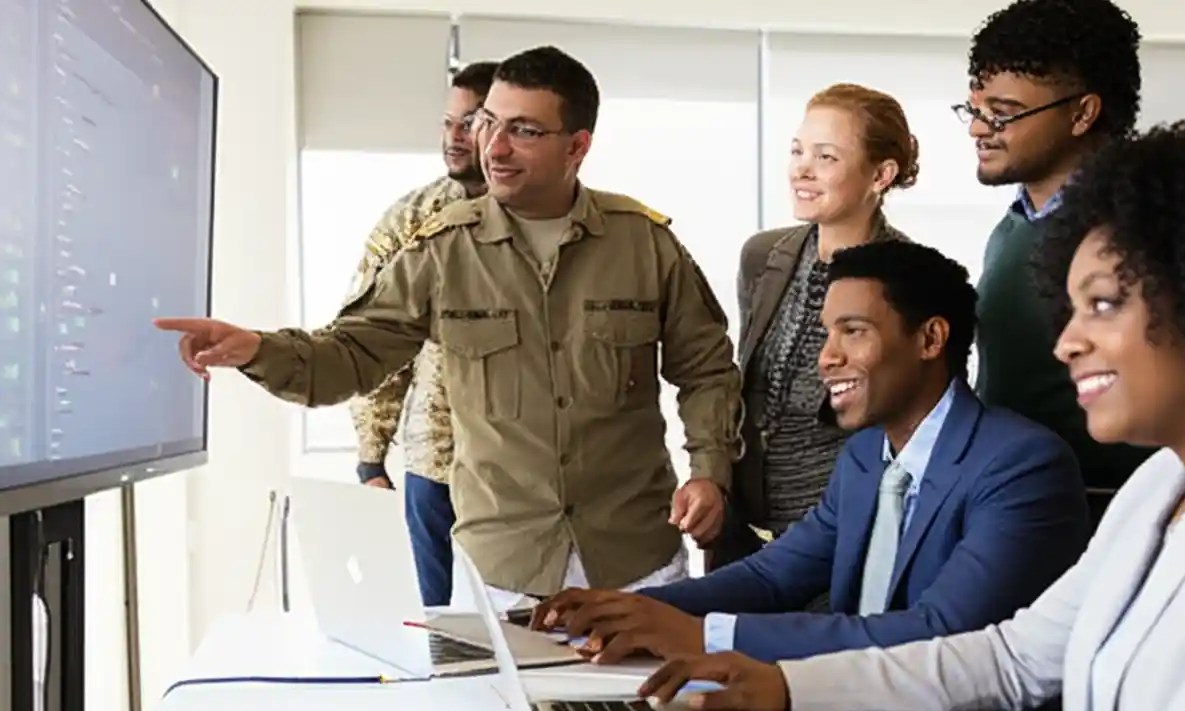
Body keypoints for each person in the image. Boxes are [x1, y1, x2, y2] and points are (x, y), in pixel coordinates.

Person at [637, 121, 1185, 711]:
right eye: (1071, 309)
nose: (1066, 344)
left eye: (1104, 305)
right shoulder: (1158, 488)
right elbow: (1014, 656)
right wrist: (784, 685)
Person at [155, 46, 740, 598]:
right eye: (489, 122)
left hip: (636, 562)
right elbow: (351, 356)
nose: (495, 147)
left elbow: (707, 369)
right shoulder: (439, 250)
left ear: (577, 146)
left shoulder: (645, 244)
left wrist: (709, 472)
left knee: (643, 709)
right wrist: (257, 348)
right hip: (503, 573)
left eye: (524, 131)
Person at [531, 241, 1089, 671]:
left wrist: (704, 636)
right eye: (827, 334)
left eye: (853, 331)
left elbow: (938, 632)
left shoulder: (1021, 466)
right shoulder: (868, 454)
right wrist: (635, 608)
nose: (827, 358)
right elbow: (776, 577)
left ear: (930, 339)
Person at [957, 0, 1152, 525]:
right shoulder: (1014, 227)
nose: (978, 129)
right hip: (1011, 504)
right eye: (975, 110)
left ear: (1082, 113)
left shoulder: (1141, 227)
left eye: (1002, 113)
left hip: (1106, 513)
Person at [713, 83, 917, 572]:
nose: (802, 169)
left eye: (826, 156)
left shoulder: (909, 276)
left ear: (881, 174)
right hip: (741, 532)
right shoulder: (763, 256)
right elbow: (748, 389)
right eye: (798, 150)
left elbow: (906, 426)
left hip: (841, 539)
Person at [347, 60, 496, 607]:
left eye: (469, 123)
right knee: (435, 620)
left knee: (525, 629)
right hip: (435, 460)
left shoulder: (546, 218)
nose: (454, 138)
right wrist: (370, 455)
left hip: (526, 474)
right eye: (447, 123)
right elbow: (367, 339)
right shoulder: (413, 219)